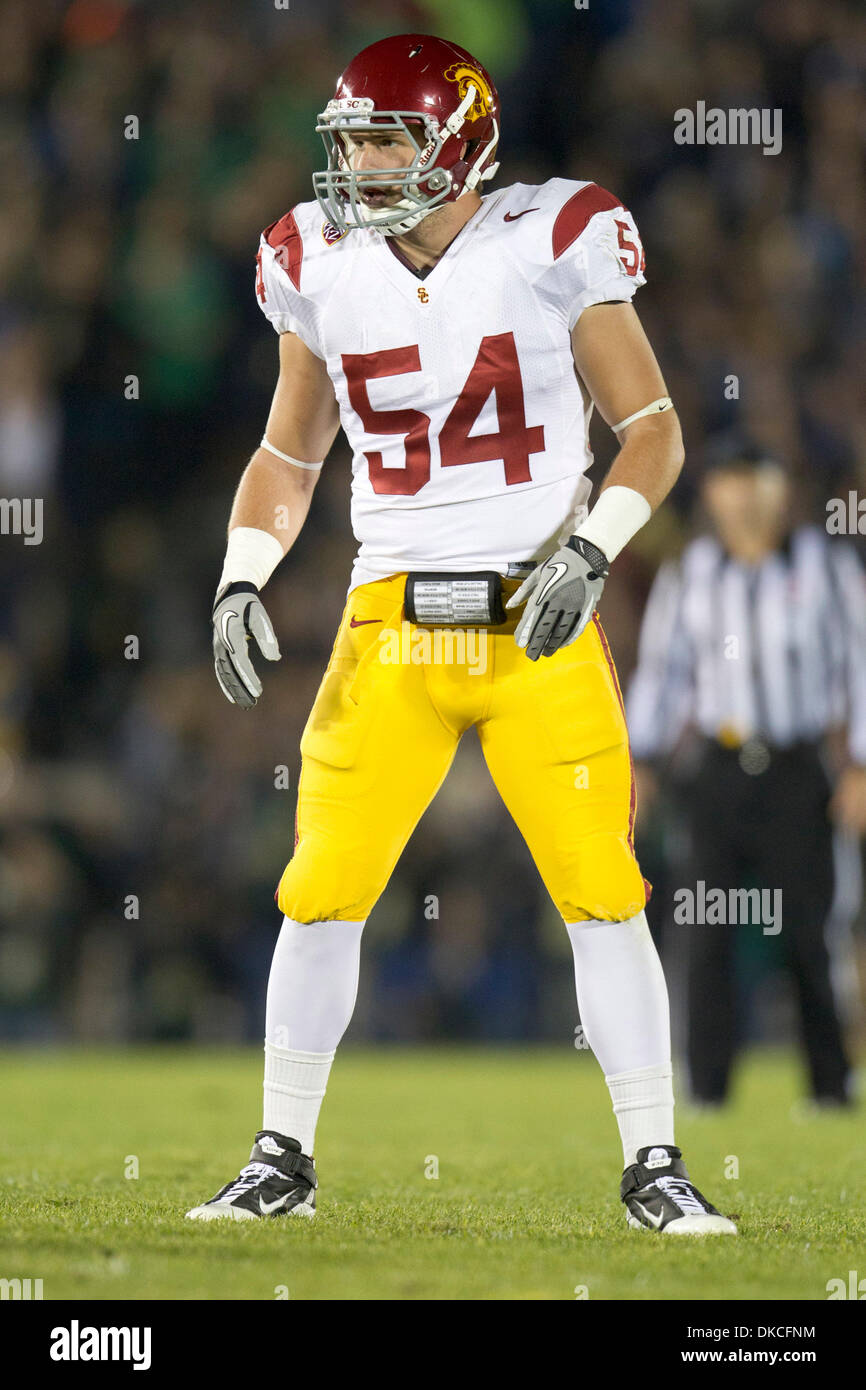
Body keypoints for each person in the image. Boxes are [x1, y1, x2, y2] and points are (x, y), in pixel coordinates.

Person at [186, 33, 735, 1234]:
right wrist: (241, 576)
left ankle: (653, 1164)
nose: (363, 165)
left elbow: (651, 427)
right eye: (352, 142)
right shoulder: (318, 259)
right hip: (388, 619)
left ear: (458, 144)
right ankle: (281, 1154)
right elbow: (289, 450)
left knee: (603, 889)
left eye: (387, 139)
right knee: (319, 887)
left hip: (532, 613)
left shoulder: (549, 238)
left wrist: (591, 549)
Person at [627, 441, 866, 1106]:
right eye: (729, 480)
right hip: (718, 769)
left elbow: (860, 665)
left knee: (810, 930)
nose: (743, 495)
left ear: (780, 489)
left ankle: (829, 1086)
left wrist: (860, 766)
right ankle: (707, 1089)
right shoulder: (692, 573)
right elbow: (665, 673)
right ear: (711, 493)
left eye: (757, 479)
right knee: (705, 933)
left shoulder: (828, 566)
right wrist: (641, 761)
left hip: (798, 766)